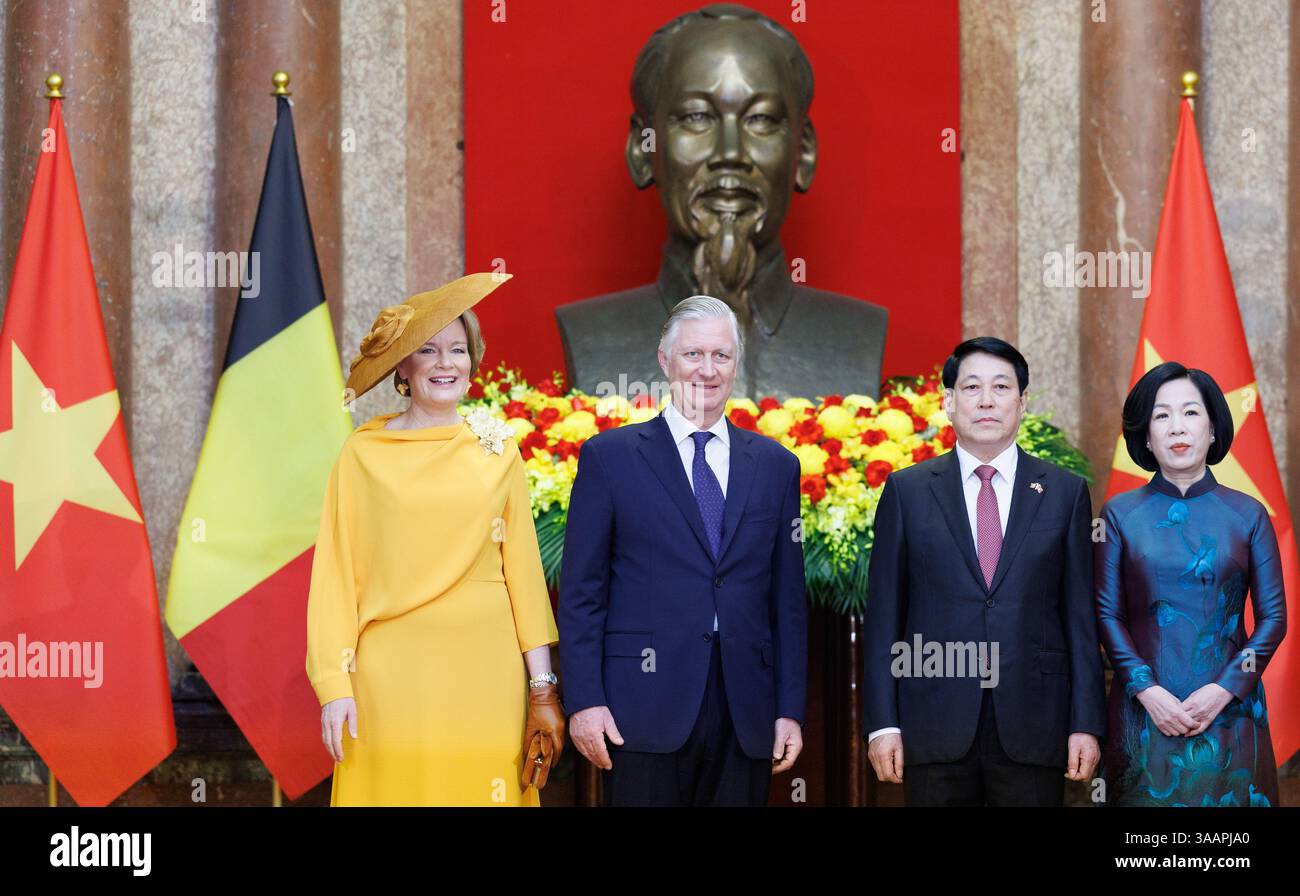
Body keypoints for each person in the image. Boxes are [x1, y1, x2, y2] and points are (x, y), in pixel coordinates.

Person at [305, 273, 563, 806]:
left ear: (473, 361)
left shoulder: (499, 448)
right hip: (387, 681)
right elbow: (335, 574)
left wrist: (542, 689)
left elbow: (525, 579)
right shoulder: (362, 455)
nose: (446, 363)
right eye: (428, 350)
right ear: (403, 366)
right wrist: (334, 685)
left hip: (486, 678)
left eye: (457, 350)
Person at [558, 295, 807, 806]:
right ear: (663, 360)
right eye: (693, 354)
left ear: (737, 364)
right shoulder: (610, 459)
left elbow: (788, 603)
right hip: (639, 708)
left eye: (722, 356)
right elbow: (582, 592)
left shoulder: (777, 466)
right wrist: (584, 701)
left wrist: (789, 709)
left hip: (746, 710)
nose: (708, 369)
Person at [862, 336, 1106, 806]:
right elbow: (884, 618)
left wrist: (1085, 723)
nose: (987, 400)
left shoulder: (1064, 493)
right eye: (972, 387)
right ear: (949, 402)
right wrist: (883, 724)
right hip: (933, 725)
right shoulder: (907, 492)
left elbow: (1080, 617)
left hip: (1034, 725)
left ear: (1023, 402)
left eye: (1001, 386)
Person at [1096, 361, 1286, 807]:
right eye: (1161, 416)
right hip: (1142, 713)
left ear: (1214, 429)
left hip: (1231, 711)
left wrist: (1224, 688)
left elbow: (1273, 619)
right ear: (1145, 435)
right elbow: (1106, 613)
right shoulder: (1119, 515)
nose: (1177, 427)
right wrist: (1147, 690)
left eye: (1191, 413)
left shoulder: (1248, 514)